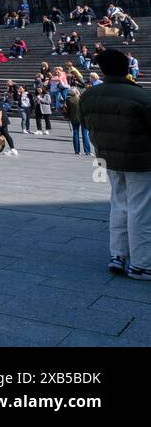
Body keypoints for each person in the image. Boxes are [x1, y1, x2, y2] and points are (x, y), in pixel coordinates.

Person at [81, 49, 151, 280]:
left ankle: (118, 255)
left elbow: (85, 123)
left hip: (107, 158)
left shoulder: (90, 95)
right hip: (140, 160)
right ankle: (141, 264)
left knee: (119, 204)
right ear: (127, 68)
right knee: (140, 209)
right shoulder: (141, 96)